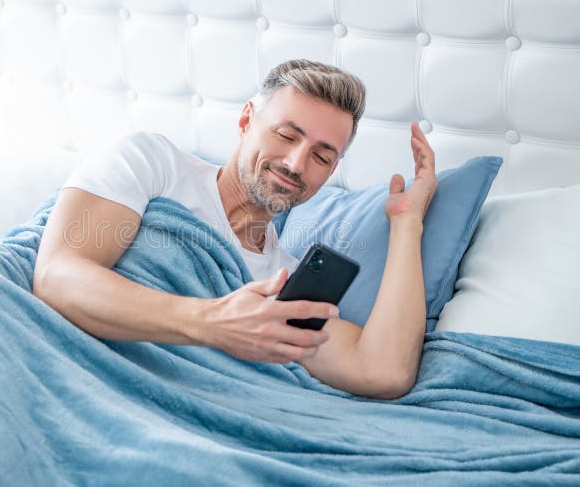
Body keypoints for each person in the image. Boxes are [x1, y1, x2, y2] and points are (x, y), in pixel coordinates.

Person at [33, 59, 437, 400]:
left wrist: (406, 223)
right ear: (246, 120)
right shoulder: (154, 163)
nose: (296, 164)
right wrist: (212, 322)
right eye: (286, 135)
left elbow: (382, 371)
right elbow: (58, 276)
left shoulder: (282, 284)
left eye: (321, 156)